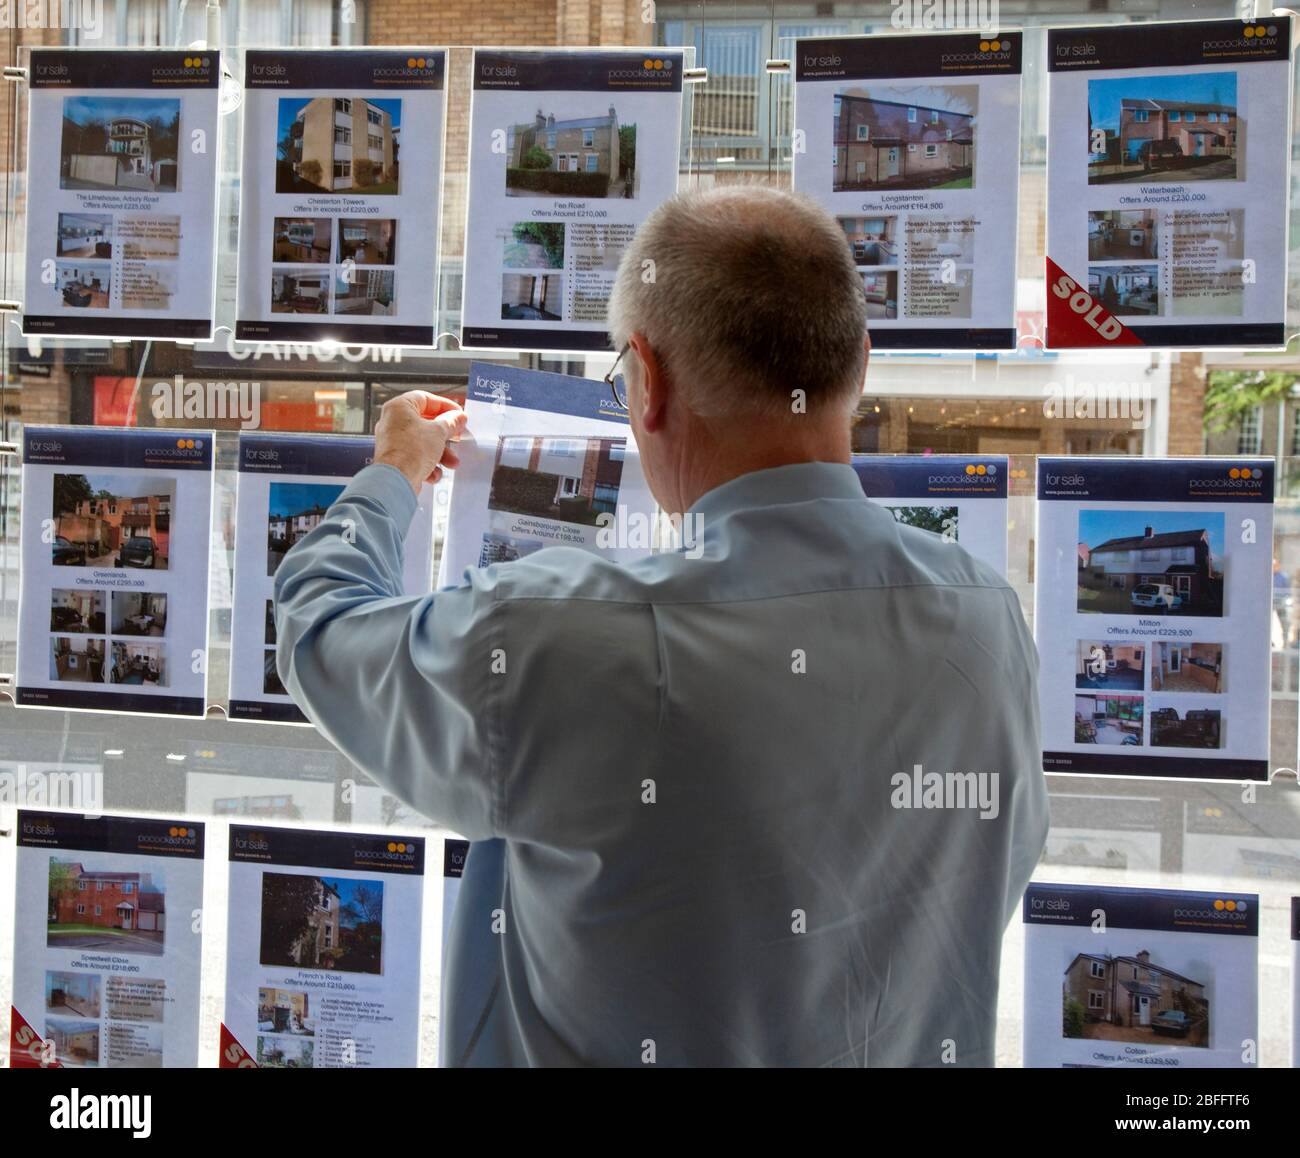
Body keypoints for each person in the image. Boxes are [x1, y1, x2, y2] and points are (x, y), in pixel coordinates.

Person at [274, 186, 1049, 1067]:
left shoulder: (553, 636)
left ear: (647, 382)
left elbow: (320, 626)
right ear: (859, 365)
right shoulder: (990, 624)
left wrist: (394, 469)